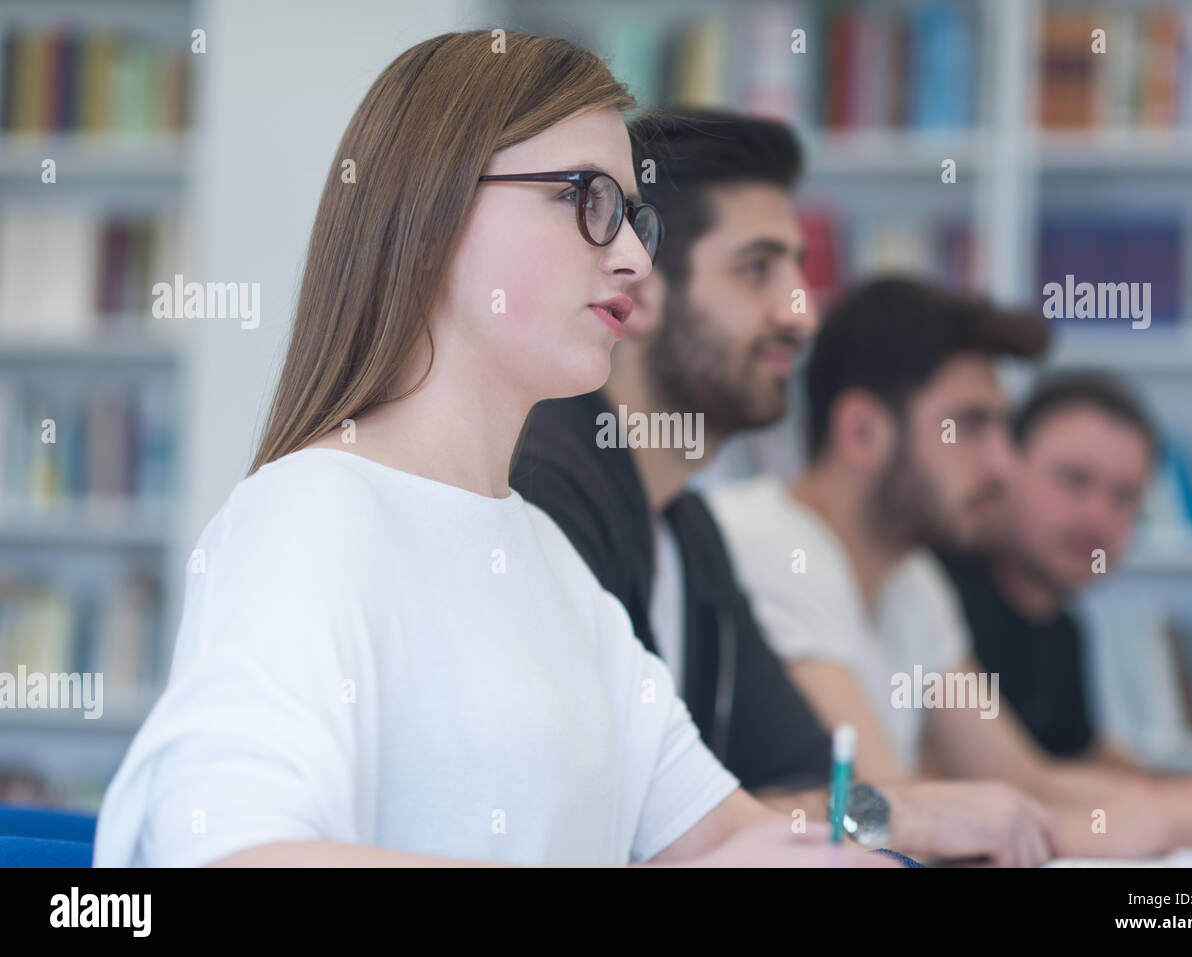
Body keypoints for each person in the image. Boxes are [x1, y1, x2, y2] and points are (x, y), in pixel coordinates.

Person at [91, 32, 900, 869]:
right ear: (437, 210)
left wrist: (872, 846)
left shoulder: (548, 559)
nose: (632, 256)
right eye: (588, 199)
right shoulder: (309, 515)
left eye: (634, 218)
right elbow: (236, 855)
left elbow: (730, 835)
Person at [512, 109, 1061, 866]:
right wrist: (907, 815)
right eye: (756, 269)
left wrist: (899, 814)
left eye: (798, 271)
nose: (801, 313)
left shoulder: (690, 532)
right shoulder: (543, 490)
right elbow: (623, 821)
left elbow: (793, 784)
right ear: (635, 279)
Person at [710, 275, 1192, 855]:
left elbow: (1025, 777)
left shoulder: (912, 582)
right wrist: (1099, 829)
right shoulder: (767, 545)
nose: (1001, 465)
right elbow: (897, 809)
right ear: (862, 430)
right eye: (970, 426)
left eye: (1000, 427)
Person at [936, 370, 1158, 765]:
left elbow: (1085, 763)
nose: (1097, 518)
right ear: (1004, 465)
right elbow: (1021, 783)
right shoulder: (934, 596)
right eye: (1073, 479)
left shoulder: (1063, 630)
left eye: (1124, 497)